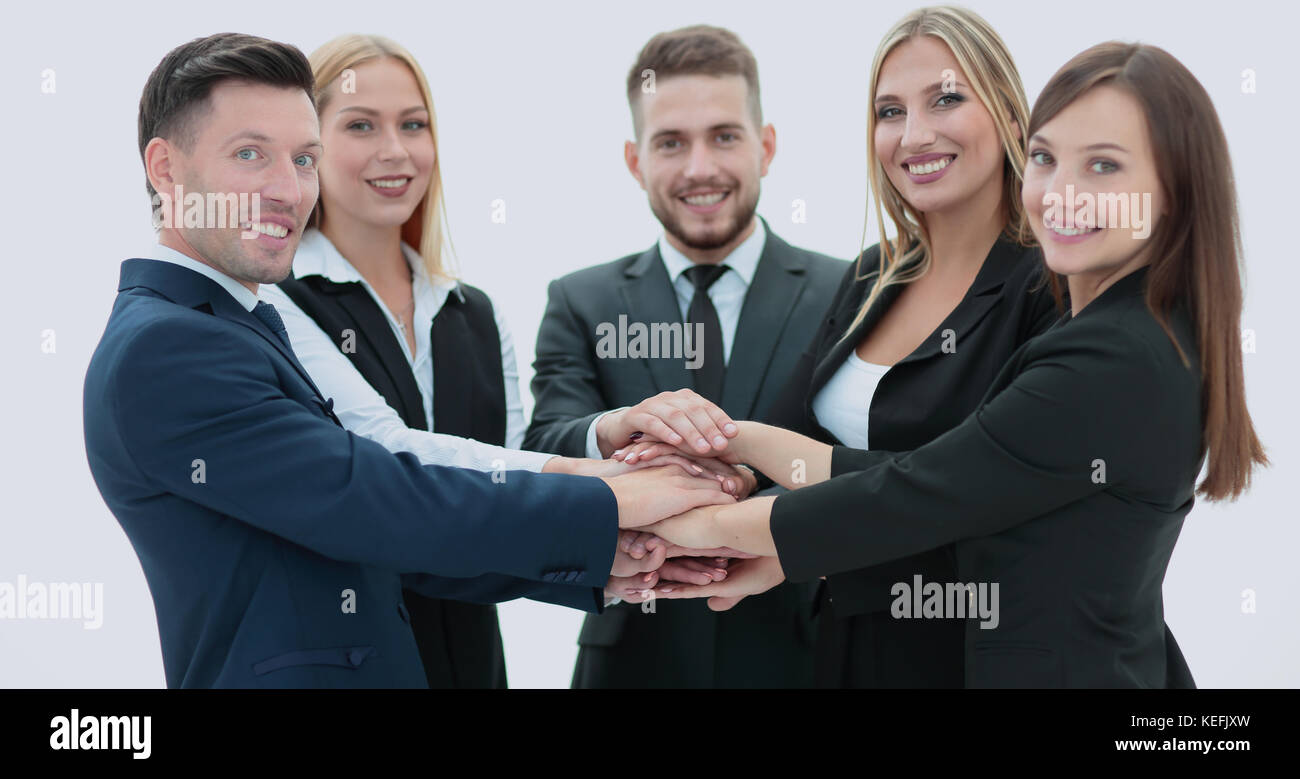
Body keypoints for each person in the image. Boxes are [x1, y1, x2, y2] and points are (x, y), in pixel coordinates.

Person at [82, 32, 732, 688]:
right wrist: (602, 499)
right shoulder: (170, 346)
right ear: (165, 168)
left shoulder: (235, 321)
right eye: (250, 153)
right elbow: (369, 495)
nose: (287, 188)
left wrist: (609, 559)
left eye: (304, 158)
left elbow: (375, 529)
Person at [638, 40, 1268, 688]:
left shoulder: (1112, 354)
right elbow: (936, 479)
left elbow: (923, 494)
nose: (1062, 193)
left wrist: (681, 523)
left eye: (1103, 166)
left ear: (1173, 191)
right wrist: (735, 447)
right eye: (1047, 159)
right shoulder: (888, 279)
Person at [523, 25, 847, 689]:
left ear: (766, 146)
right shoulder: (580, 299)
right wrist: (619, 431)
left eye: (724, 136)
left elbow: (863, 464)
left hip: (801, 653)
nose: (699, 168)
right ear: (635, 160)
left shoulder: (849, 291)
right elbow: (544, 446)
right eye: (671, 142)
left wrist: (739, 491)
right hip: (630, 661)